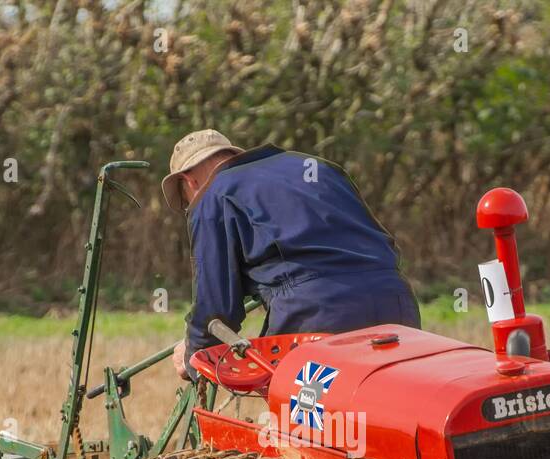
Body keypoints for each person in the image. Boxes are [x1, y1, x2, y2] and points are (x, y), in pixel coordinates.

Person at [162, 129, 421, 380]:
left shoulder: (212, 195)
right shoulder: (322, 168)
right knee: (389, 416)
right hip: (396, 300)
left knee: (309, 422)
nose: (190, 206)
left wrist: (194, 354)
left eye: (186, 201)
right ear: (231, 155)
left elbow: (215, 306)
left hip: (316, 315)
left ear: (189, 181)